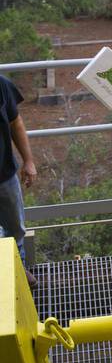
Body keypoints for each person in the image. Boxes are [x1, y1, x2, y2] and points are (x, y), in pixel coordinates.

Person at [0, 73, 37, 282]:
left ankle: (18, 271)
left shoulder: (2, 85)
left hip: (4, 175)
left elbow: (16, 124)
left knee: (15, 229)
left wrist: (28, 161)